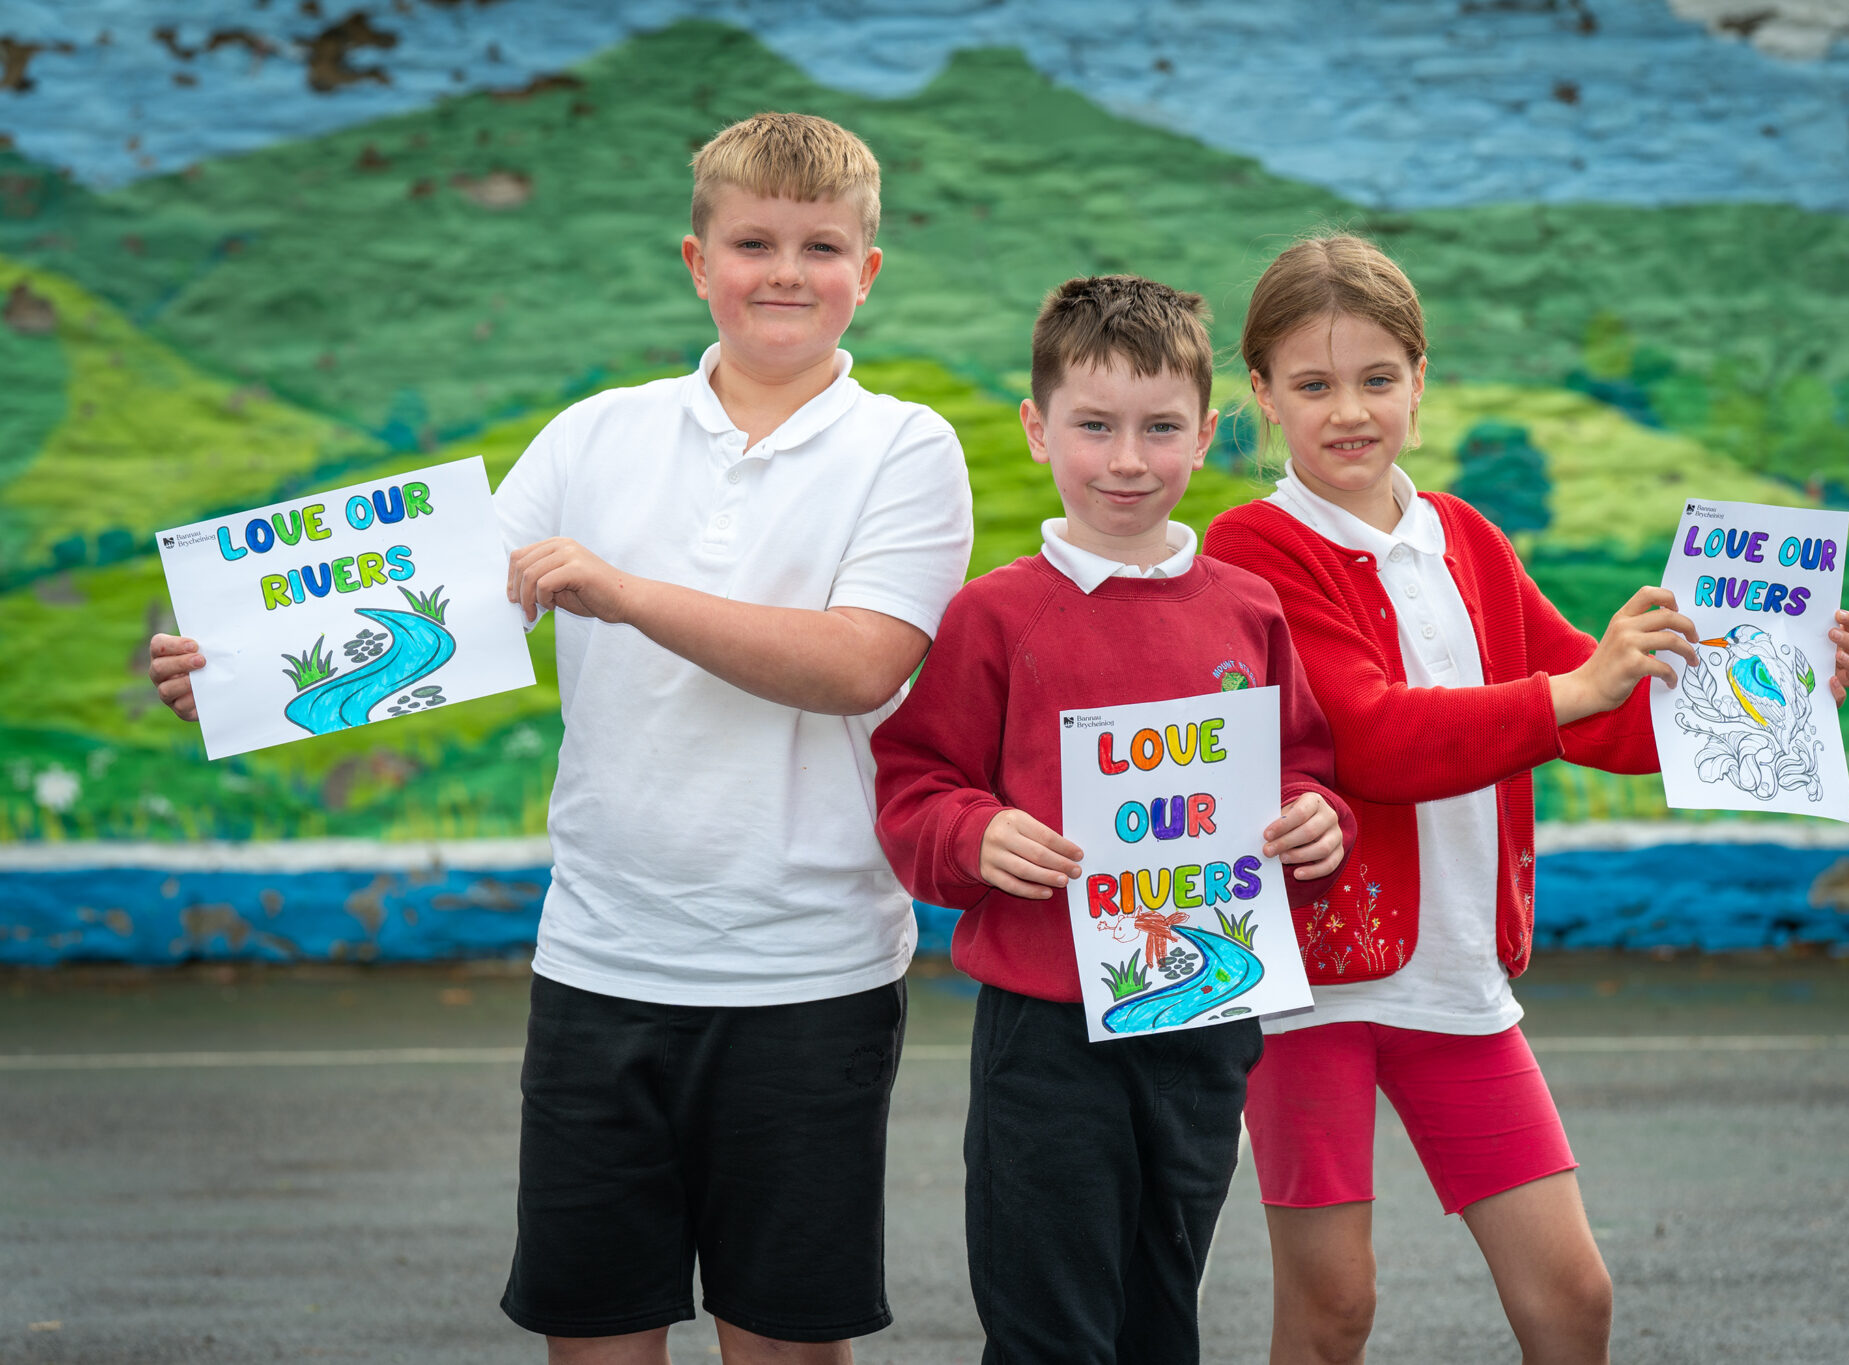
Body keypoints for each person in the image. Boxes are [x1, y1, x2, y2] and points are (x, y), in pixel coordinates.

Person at [148, 111, 974, 1365]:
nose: (784, 273)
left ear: (868, 270)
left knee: (785, 1346)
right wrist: (239, 675)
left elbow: (859, 665)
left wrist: (627, 591)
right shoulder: (596, 433)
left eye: (819, 246)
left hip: (805, 976)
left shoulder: (903, 450)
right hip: (601, 962)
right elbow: (440, 612)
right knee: (594, 1339)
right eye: (751, 242)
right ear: (697, 261)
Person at [1201, 233, 1849, 1365]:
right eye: (1310, 385)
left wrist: (1782, 694)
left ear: (1419, 382)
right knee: (1332, 1312)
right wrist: (1576, 685)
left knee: (1571, 1301)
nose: (1347, 411)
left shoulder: (1465, 537)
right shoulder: (1254, 546)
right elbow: (1371, 736)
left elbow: (1601, 717)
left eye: (1375, 379)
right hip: (1310, 990)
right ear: (1261, 396)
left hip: (1457, 978)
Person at [870, 274, 1355, 1365]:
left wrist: (1316, 824)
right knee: (1049, 1330)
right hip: (1046, 1038)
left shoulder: (1247, 608)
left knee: (1156, 1318)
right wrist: (974, 835)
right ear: (1038, 430)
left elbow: (1304, 773)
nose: (1126, 459)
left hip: (1203, 1024)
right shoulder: (993, 614)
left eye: (1158, 428)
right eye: (1093, 426)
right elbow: (912, 785)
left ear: (1206, 436)